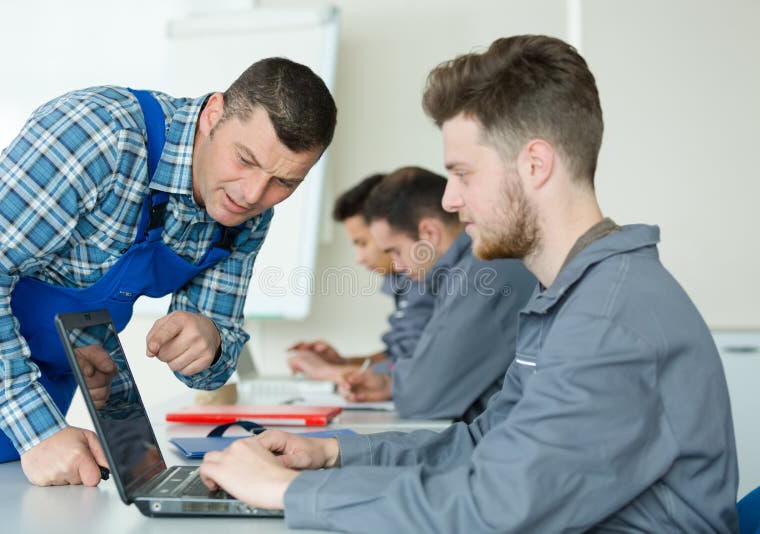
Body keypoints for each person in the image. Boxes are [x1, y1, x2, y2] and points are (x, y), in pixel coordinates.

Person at [198, 35, 739, 532]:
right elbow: (484, 445)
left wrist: (288, 491)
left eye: (463, 173)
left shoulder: (609, 321)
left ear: (534, 165)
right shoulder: (571, 297)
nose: (450, 199)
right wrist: (333, 455)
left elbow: (493, 508)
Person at [0, 57, 337, 485]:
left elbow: (212, 370)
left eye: (284, 182)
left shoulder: (245, 216)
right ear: (213, 114)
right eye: (244, 159)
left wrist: (210, 341)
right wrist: (39, 432)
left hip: (37, 397)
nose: (253, 194)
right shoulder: (100, 134)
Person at [332, 166, 534, 419]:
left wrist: (397, 383)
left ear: (429, 233)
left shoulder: (480, 274)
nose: (397, 266)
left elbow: (421, 398)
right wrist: (388, 383)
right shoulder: (463, 271)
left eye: (396, 251)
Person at [287, 173, 435, 387]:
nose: (359, 258)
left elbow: (416, 367)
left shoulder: (423, 278)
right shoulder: (403, 280)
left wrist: (329, 372)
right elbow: (398, 355)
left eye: (362, 243)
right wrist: (344, 363)